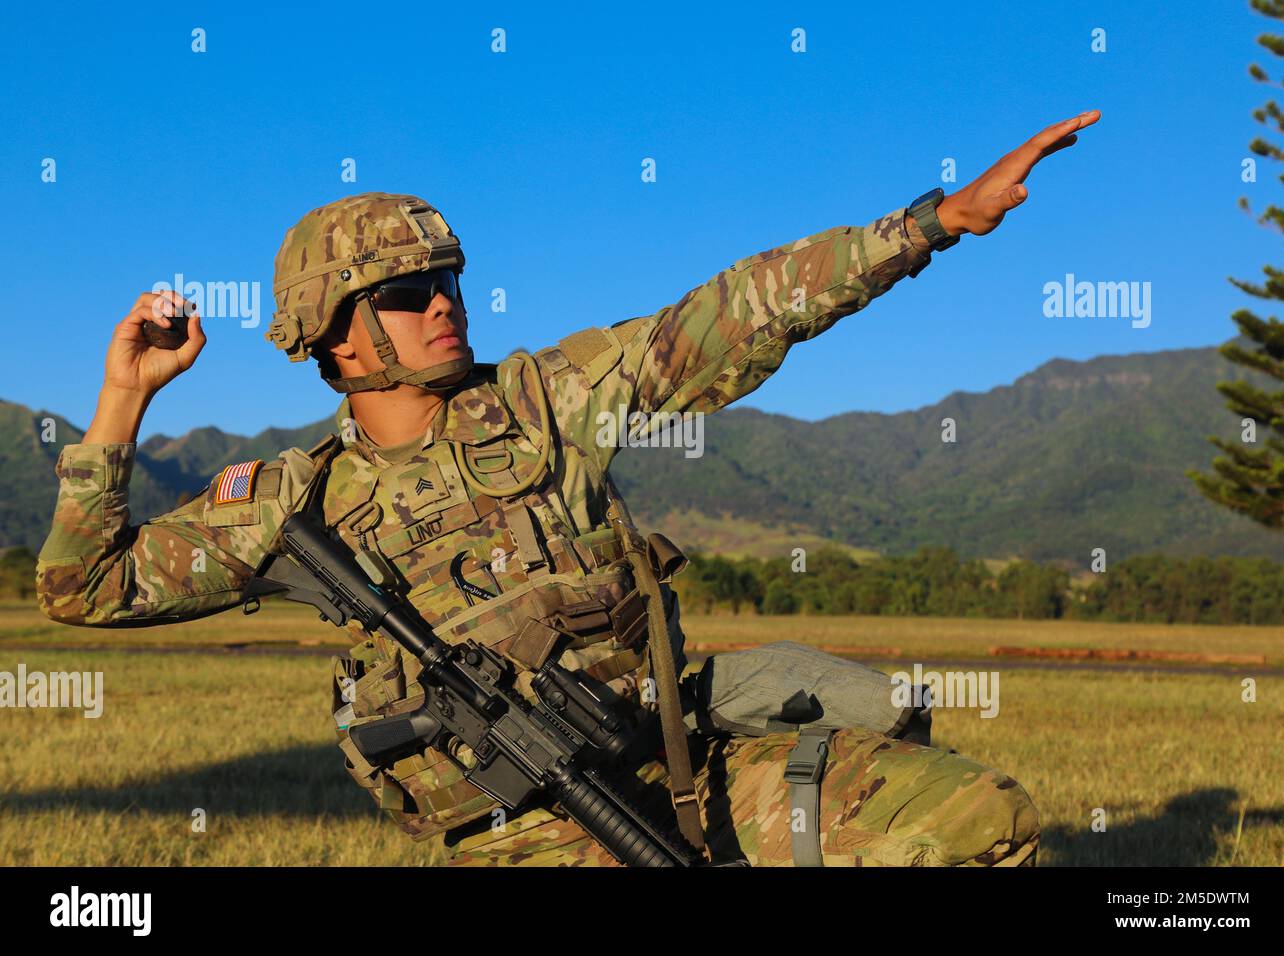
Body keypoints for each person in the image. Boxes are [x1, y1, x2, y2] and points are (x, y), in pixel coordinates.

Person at [36, 110, 1101, 866]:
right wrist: (123, 400)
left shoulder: (545, 398)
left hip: (677, 763)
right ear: (336, 339)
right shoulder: (286, 503)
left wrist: (927, 225)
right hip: (525, 831)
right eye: (408, 293)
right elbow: (83, 587)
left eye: (449, 280)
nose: (444, 304)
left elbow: (732, 313)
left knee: (976, 819)